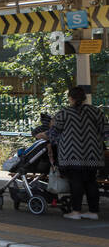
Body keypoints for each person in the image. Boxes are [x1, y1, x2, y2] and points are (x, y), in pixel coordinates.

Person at [40, 86, 106, 220]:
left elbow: (54, 133)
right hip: (93, 153)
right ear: (84, 97)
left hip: (71, 154)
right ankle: (93, 211)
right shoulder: (96, 112)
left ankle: (76, 211)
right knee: (91, 181)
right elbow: (105, 131)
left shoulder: (64, 113)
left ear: (70, 98)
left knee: (76, 182)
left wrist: (45, 136)